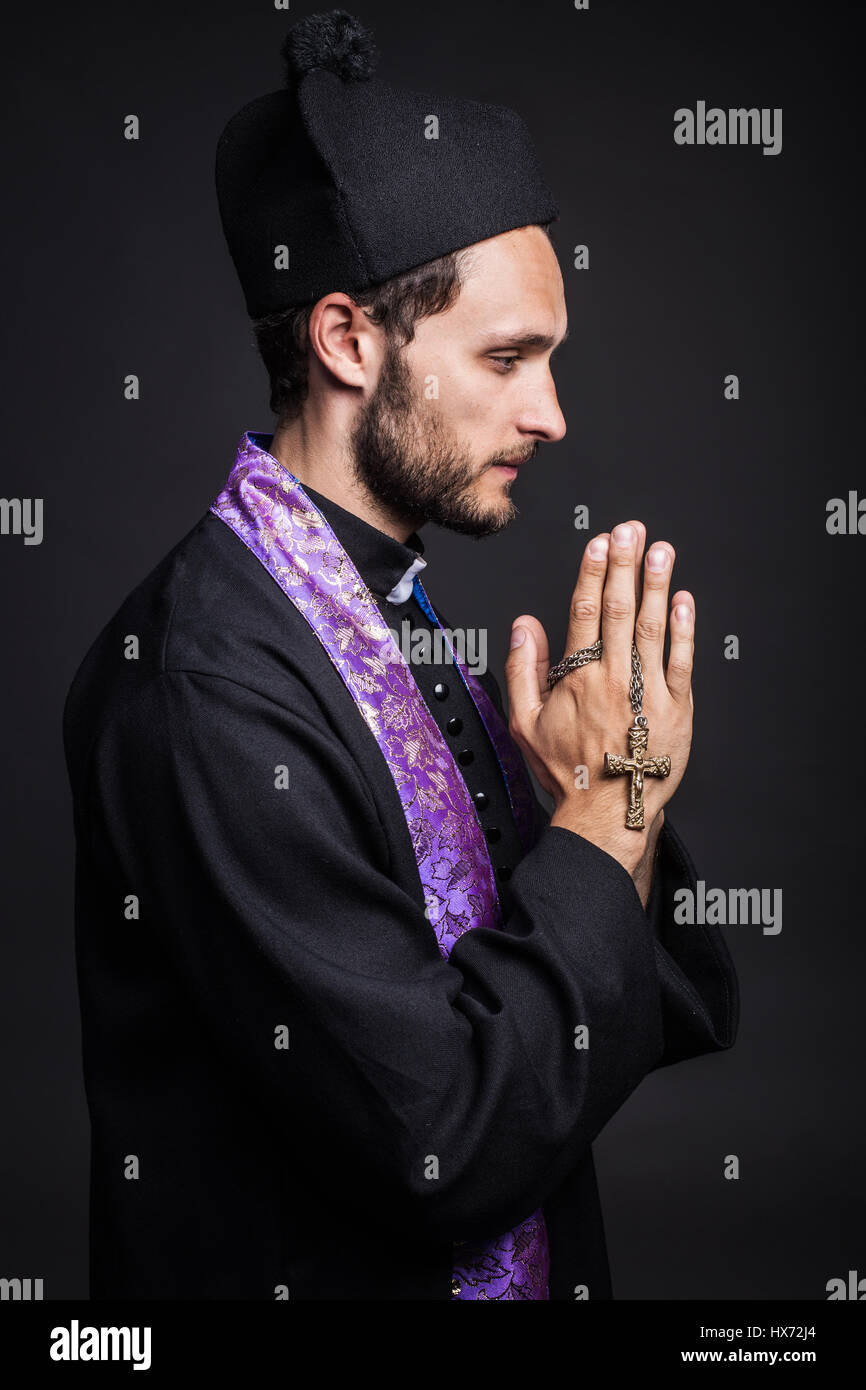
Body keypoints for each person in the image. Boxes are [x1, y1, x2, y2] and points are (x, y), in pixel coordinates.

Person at [62, 9, 738, 1300]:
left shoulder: (393, 610)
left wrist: (573, 809)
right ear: (345, 341)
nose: (550, 412)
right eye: (506, 357)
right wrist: (608, 814)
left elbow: (596, 1005)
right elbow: (446, 1134)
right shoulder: (206, 685)